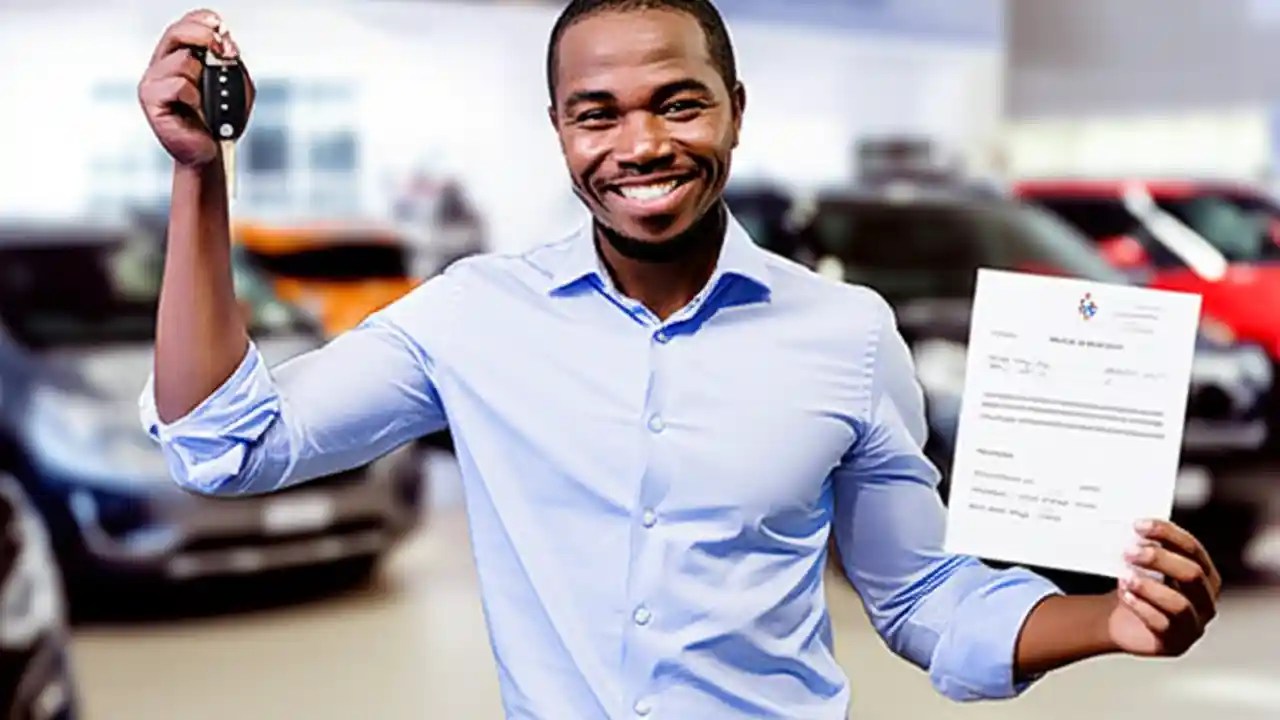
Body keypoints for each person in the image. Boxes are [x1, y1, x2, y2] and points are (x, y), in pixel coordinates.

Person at [137, 3, 1222, 718]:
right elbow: (223, 445)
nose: (640, 144)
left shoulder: (844, 336)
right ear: (559, 131)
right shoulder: (472, 317)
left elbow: (920, 596)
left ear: (734, 114)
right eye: (595, 114)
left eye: (678, 101)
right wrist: (200, 178)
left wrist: (1109, 622)